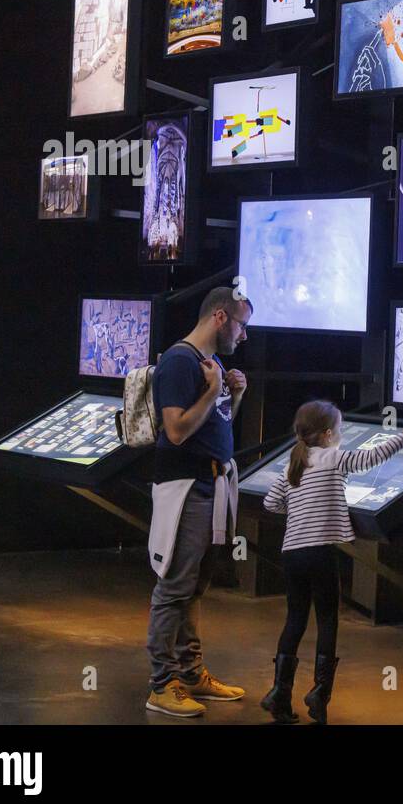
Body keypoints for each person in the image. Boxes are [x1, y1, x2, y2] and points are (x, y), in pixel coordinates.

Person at [259, 401, 403, 724]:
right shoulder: (334, 458)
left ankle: (279, 693)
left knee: (295, 619)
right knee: (327, 620)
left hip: (292, 554)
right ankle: (319, 694)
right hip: (320, 553)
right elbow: (370, 458)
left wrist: (299, 512)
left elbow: (271, 503)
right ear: (328, 434)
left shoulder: (292, 465)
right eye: (338, 430)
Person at [144, 287, 252, 718]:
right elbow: (176, 431)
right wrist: (214, 390)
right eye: (242, 325)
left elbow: (215, 425)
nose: (244, 336)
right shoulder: (178, 362)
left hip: (212, 486)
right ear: (221, 318)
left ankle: (189, 672)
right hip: (185, 488)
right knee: (174, 584)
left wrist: (232, 394)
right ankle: (160, 683)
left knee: (195, 585)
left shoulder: (212, 365)